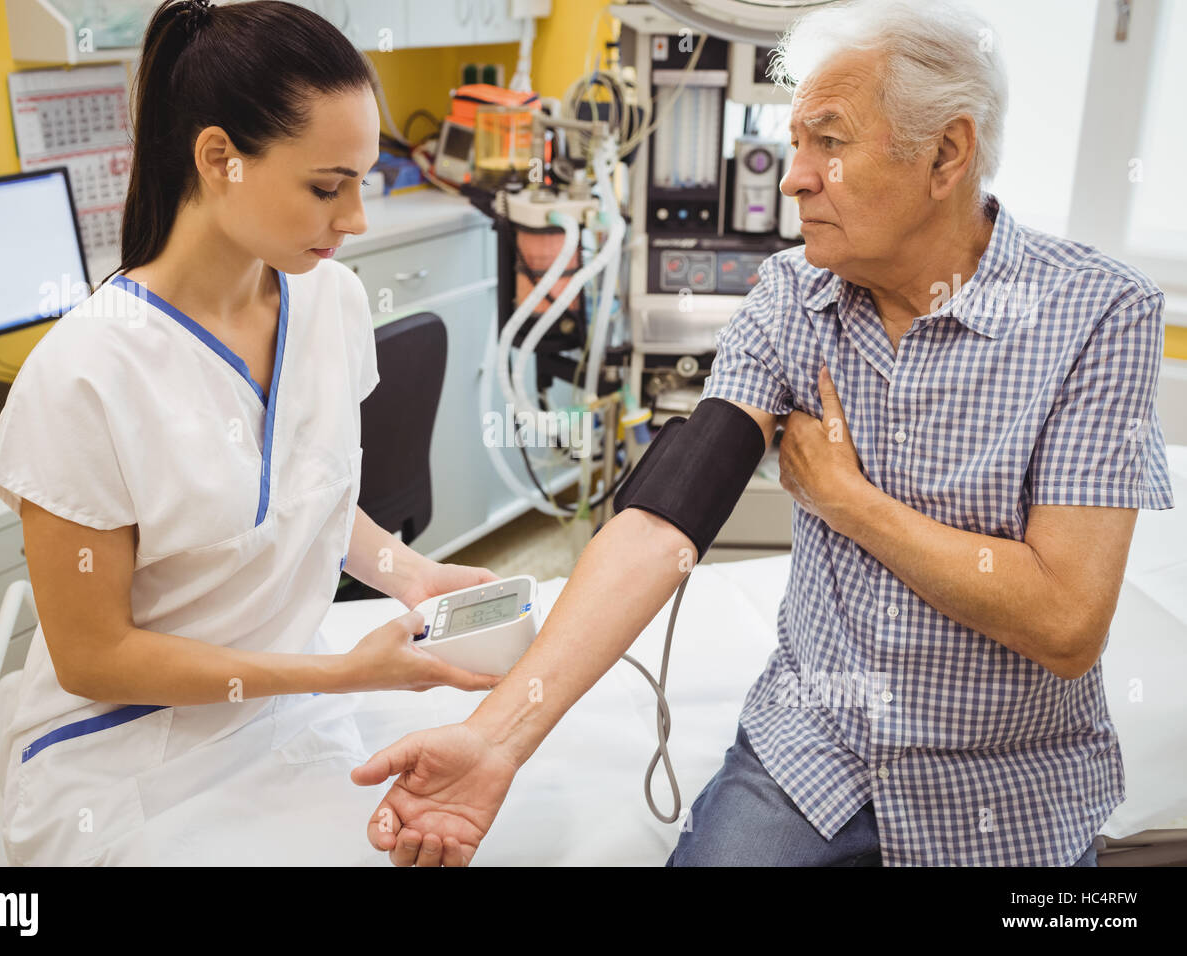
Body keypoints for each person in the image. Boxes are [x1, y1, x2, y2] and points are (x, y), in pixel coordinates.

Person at [351, 0, 1175, 867]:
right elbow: (666, 521)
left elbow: (1066, 621)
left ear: (947, 152)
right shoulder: (792, 294)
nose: (793, 178)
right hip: (812, 746)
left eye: (831, 141)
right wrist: (497, 738)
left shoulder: (1099, 314)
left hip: (1006, 782)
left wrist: (850, 504)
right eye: (796, 142)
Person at [0, 0, 497, 866]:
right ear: (220, 158)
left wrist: (413, 574)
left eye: (363, 181)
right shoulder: (85, 376)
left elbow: (314, 498)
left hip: (280, 703)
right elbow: (91, 656)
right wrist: (338, 673)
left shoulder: (328, 299)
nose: (357, 218)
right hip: (122, 749)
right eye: (327, 187)